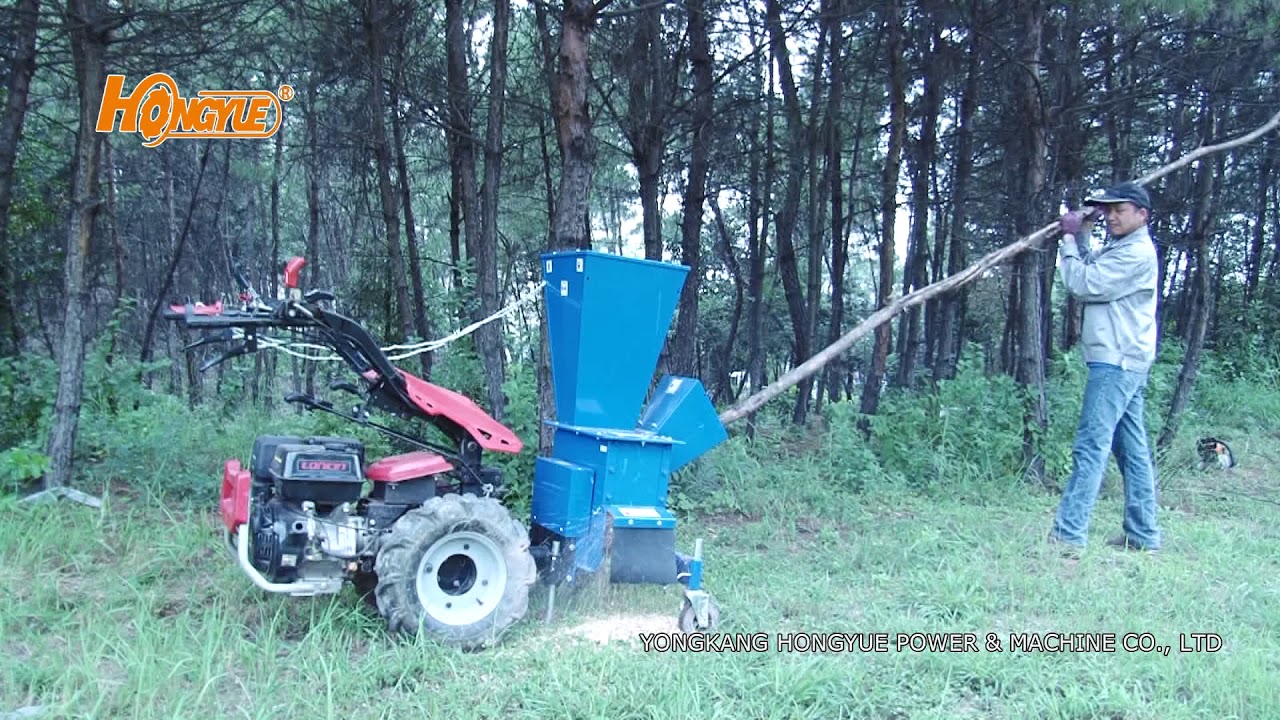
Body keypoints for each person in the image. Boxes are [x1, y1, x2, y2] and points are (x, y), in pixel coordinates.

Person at [1048, 181, 1161, 553]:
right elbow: (1091, 269)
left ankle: (1068, 536)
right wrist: (1081, 235)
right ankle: (1142, 535)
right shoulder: (1123, 248)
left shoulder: (1135, 254)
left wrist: (1067, 239)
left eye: (1120, 210)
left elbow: (1083, 283)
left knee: (1090, 445)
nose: (1111, 216)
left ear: (1142, 215)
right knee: (1131, 450)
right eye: (1107, 210)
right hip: (1123, 359)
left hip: (1117, 361)